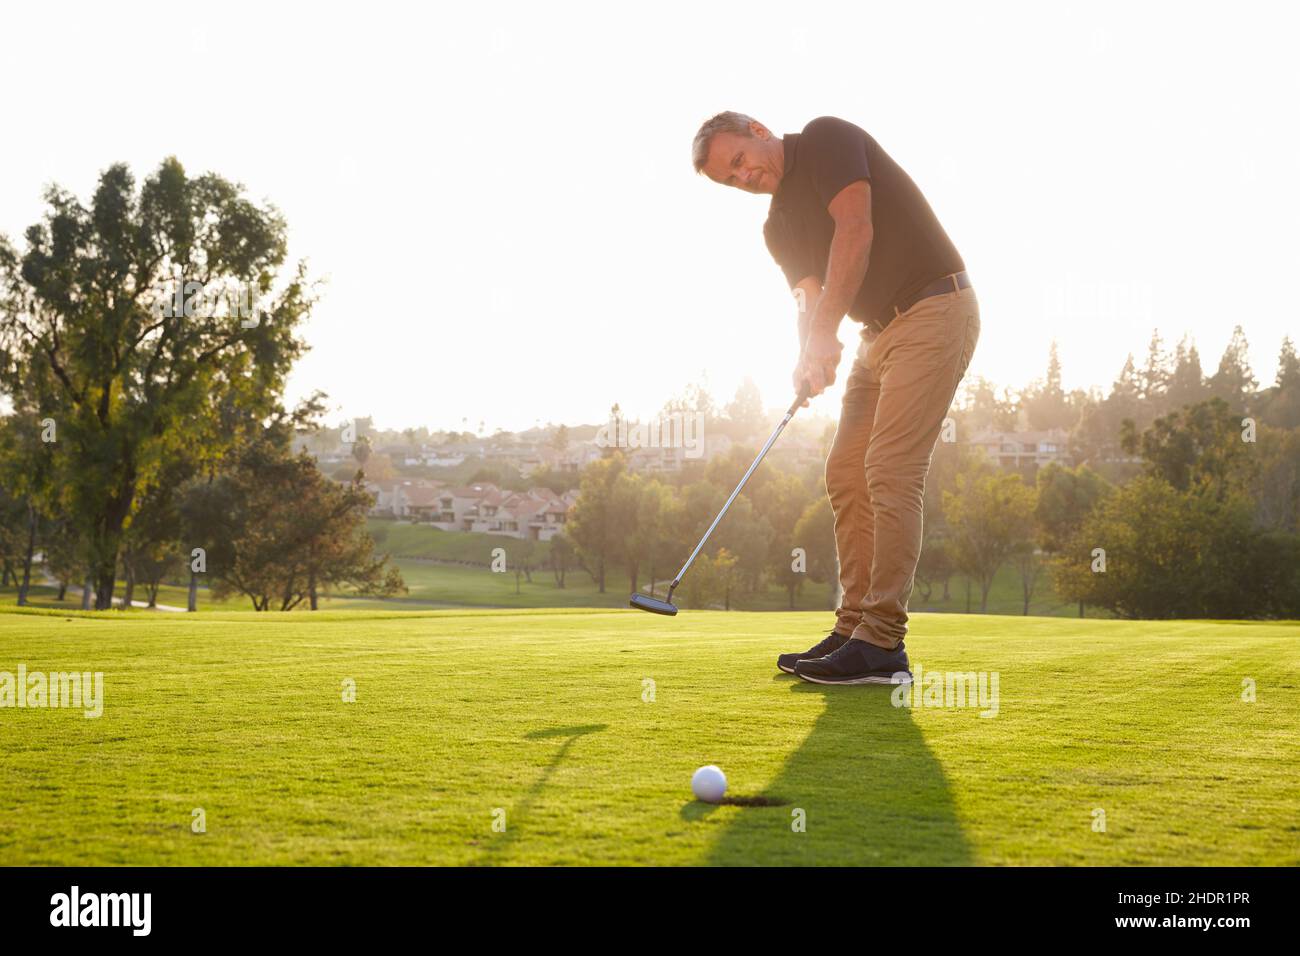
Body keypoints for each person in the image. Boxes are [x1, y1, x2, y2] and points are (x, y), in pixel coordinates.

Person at [693, 112, 980, 685]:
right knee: (846, 471)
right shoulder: (776, 228)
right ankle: (853, 628)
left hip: (933, 309)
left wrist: (826, 334)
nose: (743, 177)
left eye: (739, 161)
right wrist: (808, 354)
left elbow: (856, 229)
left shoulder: (826, 139)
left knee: (890, 469)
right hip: (877, 335)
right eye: (730, 180)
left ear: (756, 128)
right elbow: (808, 299)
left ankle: (882, 641)